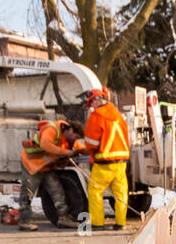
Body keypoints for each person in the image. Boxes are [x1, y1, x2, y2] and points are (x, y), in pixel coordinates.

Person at [76, 88, 130, 231]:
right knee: (120, 194)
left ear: (95, 100)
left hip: (104, 162)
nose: (91, 106)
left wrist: (88, 151)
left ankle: (98, 223)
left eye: (91, 103)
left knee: (95, 191)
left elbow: (91, 142)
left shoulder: (97, 116)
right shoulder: (118, 115)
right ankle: (120, 223)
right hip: (121, 162)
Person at [16, 118, 81, 230]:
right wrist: (64, 152)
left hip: (45, 167)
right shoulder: (52, 129)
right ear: (70, 130)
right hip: (32, 164)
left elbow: (79, 147)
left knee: (57, 191)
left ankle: (63, 218)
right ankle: (24, 221)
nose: (76, 140)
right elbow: (45, 144)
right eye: (76, 137)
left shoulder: (67, 138)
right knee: (27, 193)